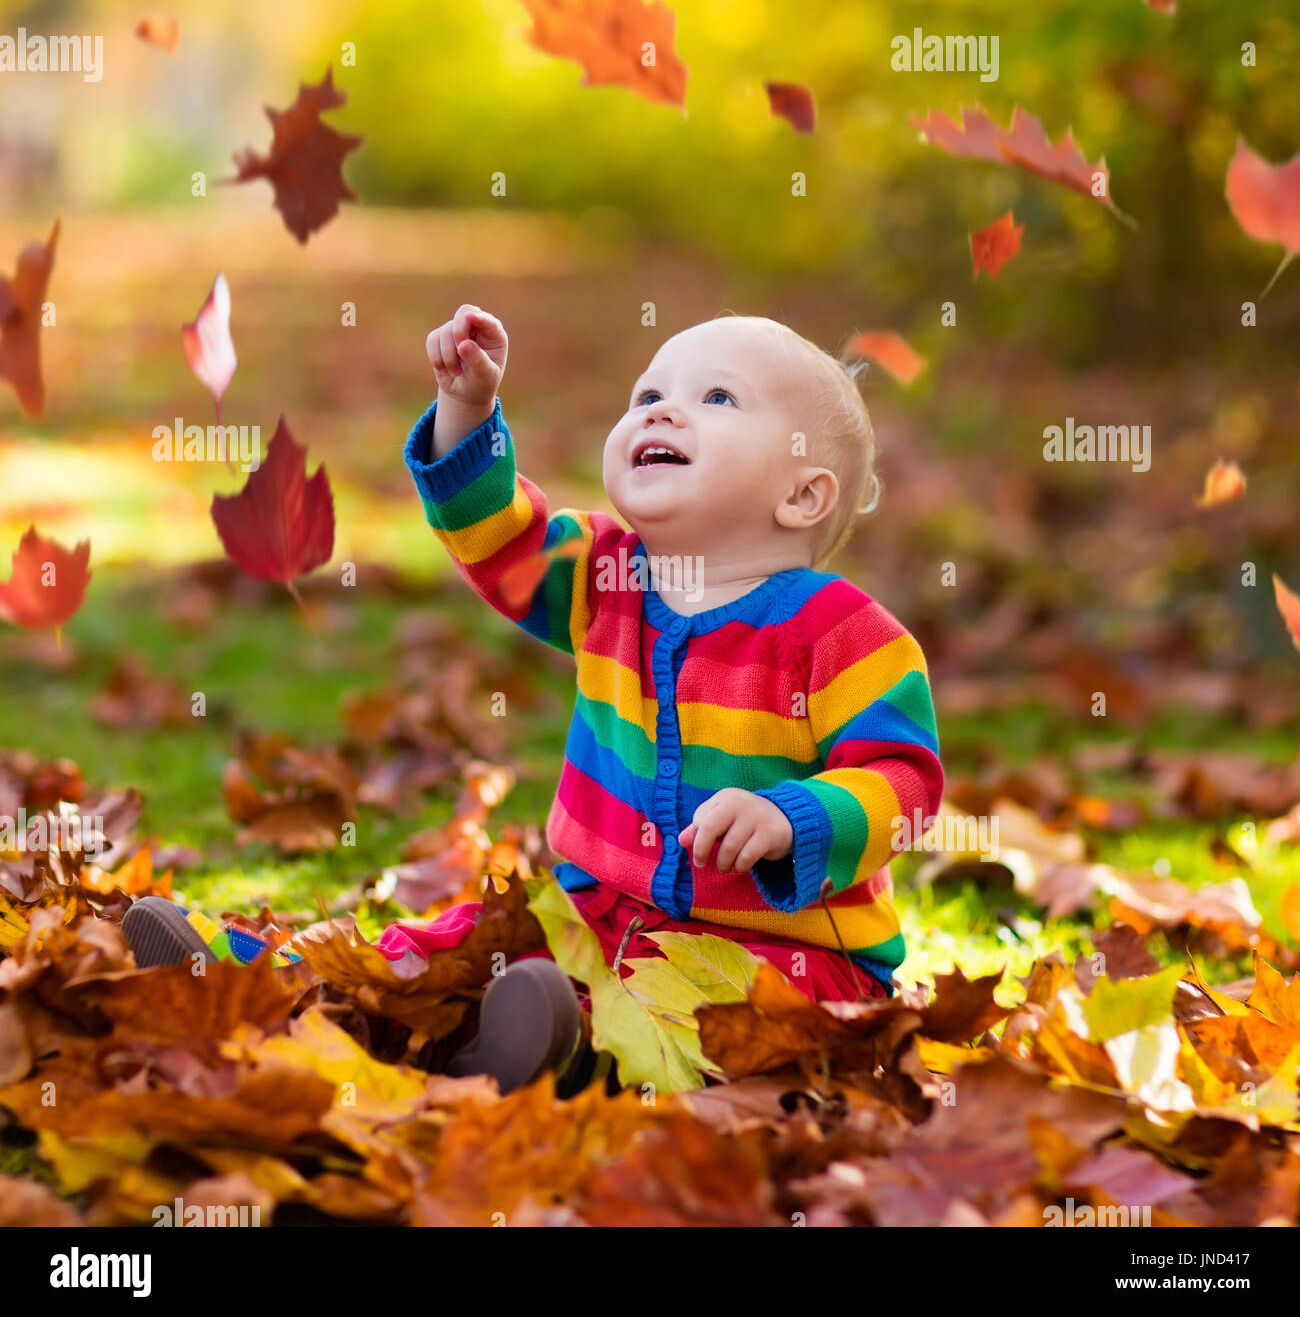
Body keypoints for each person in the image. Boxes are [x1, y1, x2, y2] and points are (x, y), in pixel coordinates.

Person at [125, 304, 944, 1096]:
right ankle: (277, 984)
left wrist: (795, 817)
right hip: (598, 913)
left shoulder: (844, 635)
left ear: (803, 494)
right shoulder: (604, 572)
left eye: (717, 398)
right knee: (460, 946)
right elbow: (502, 540)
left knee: (715, 1022)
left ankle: (554, 1055)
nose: (662, 414)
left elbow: (904, 781)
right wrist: (467, 408)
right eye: (647, 397)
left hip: (782, 952)